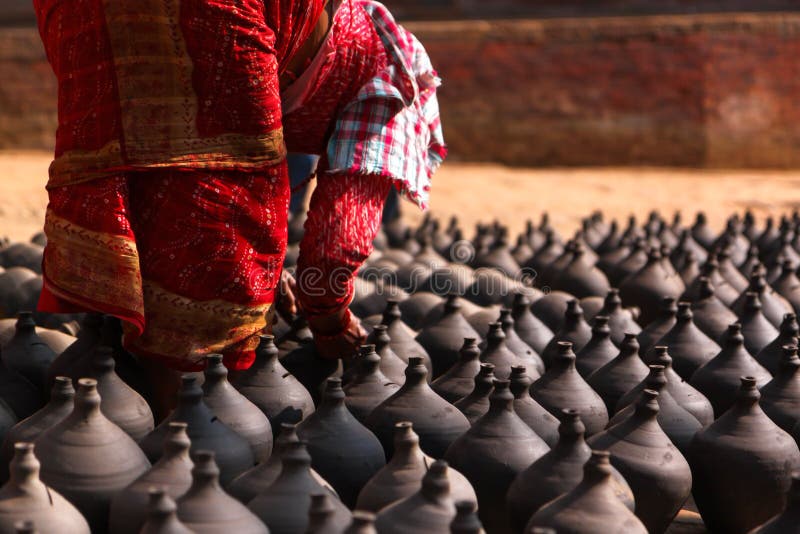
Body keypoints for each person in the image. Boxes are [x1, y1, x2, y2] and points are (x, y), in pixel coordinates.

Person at [32, 0, 445, 411]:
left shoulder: (357, 31)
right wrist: (330, 322)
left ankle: (144, 375)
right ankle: (178, 407)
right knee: (217, 207)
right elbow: (335, 248)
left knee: (132, 159)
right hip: (223, 14)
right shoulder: (394, 87)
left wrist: (271, 271)